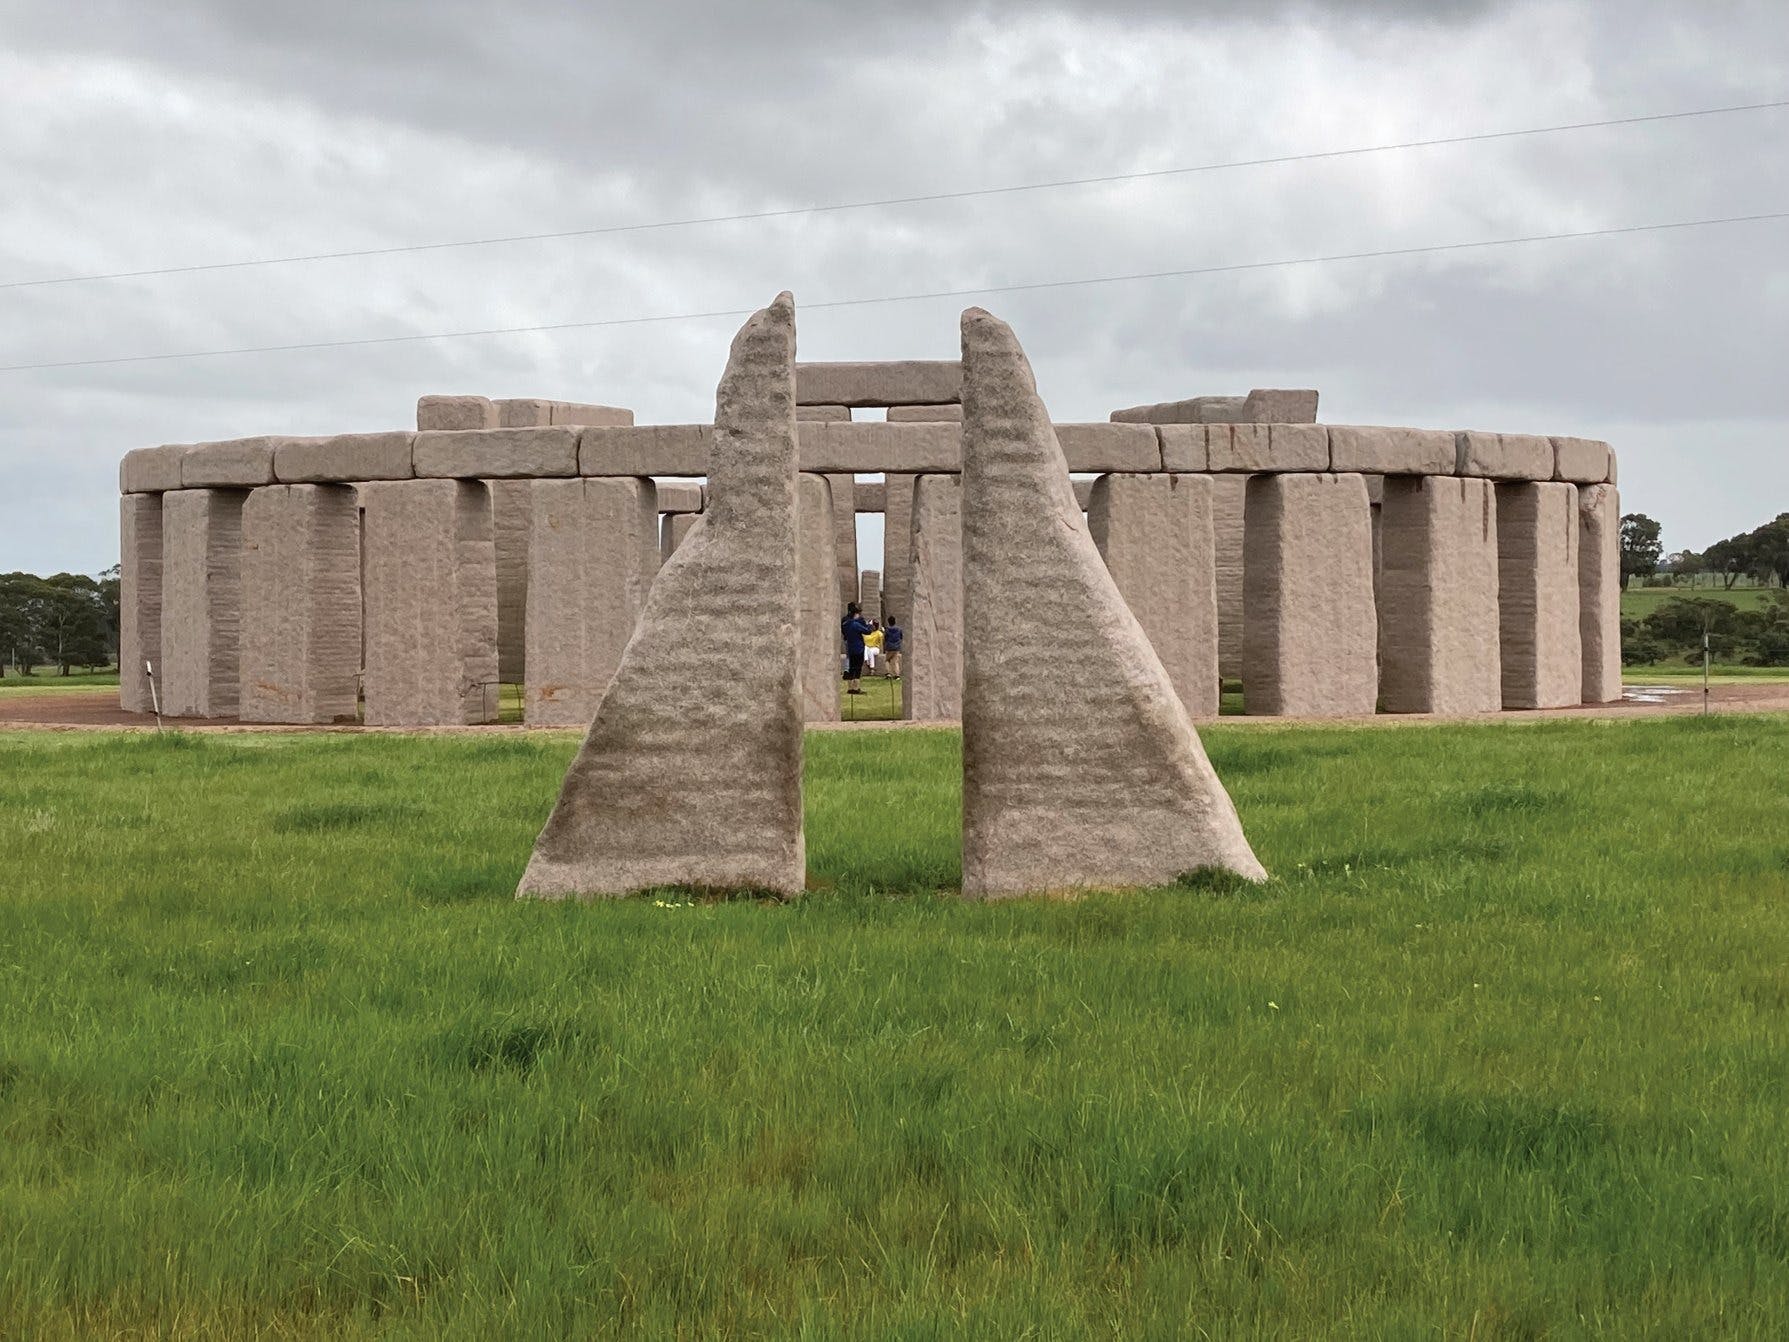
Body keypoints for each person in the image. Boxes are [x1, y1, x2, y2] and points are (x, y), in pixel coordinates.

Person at [840, 601, 872, 695]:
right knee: (858, 668)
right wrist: (869, 625)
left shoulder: (846, 624)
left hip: (850, 647)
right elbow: (867, 631)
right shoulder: (855, 624)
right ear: (855, 614)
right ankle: (856, 687)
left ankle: (850, 687)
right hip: (858, 648)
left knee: (851, 668)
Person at [882, 613, 903, 679]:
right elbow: (901, 637)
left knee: (887, 660)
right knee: (895, 661)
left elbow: (885, 638)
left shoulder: (887, 629)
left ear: (888, 622)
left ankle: (888, 673)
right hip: (897, 647)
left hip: (889, 647)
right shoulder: (899, 629)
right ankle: (897, 675)